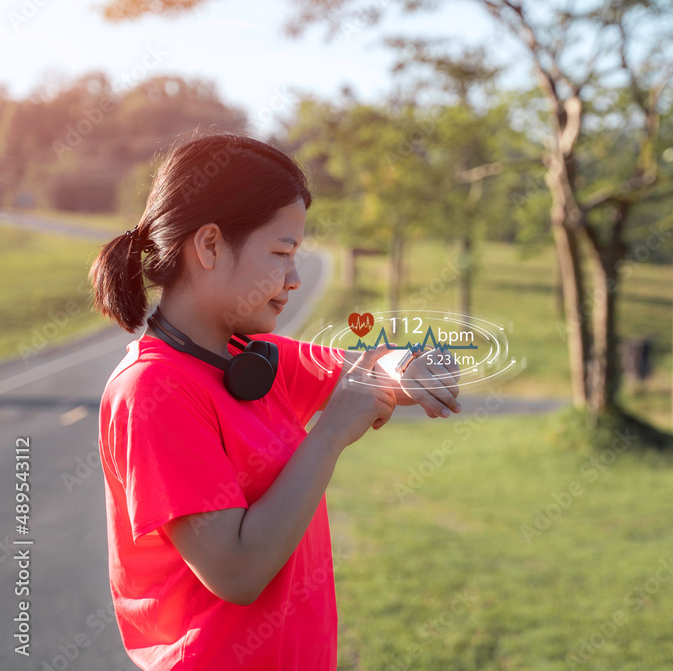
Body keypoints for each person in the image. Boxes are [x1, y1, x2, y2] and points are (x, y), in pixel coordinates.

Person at [88, 129, 461, 670]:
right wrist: (331, 434)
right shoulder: (152, 391)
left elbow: (368, 367)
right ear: (210, 246)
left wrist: (412, 364)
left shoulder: (252, 358)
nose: (294, 278)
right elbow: (237, 572)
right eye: (282, 253)